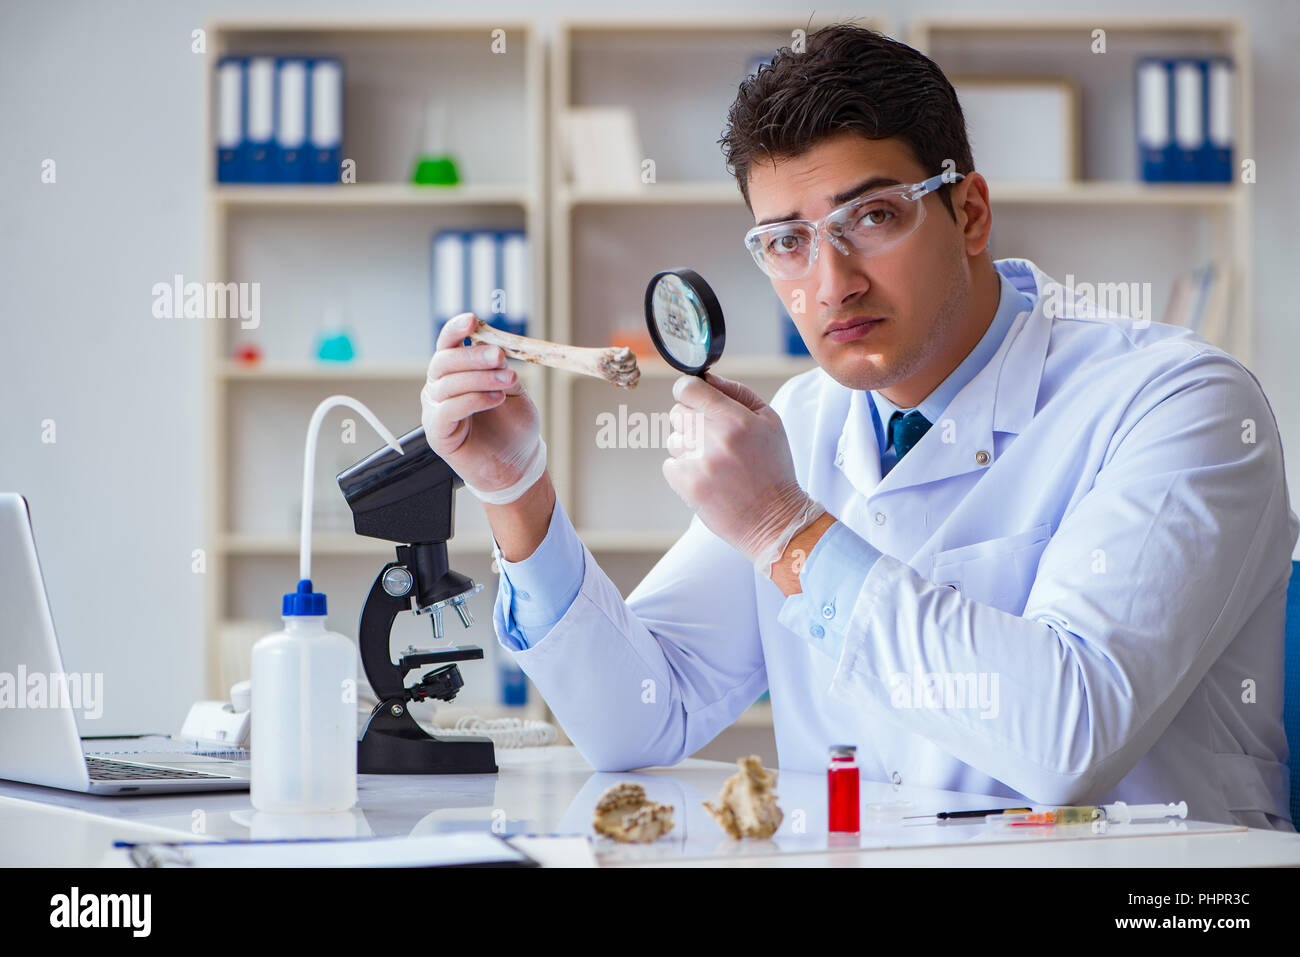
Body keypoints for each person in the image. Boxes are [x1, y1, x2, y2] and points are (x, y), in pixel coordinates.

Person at [421, 24, 1296, 830]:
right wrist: (517, 492)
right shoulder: (804, 421)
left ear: (971, 214)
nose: (830, 283)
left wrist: (785, 529)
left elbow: (1069, 738)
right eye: (787, 242)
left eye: (871, 218)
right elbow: (645, 713)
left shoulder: (1180, 402)